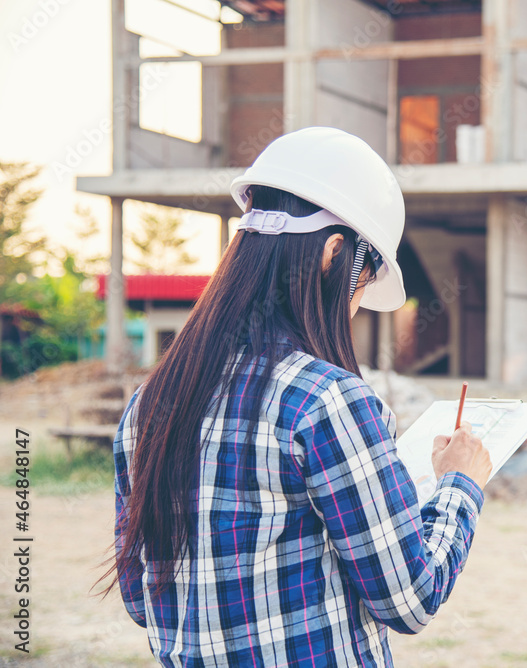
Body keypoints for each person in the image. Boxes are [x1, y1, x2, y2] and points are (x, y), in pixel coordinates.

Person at [95, 127, 492, 667]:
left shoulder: (150, 404)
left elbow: (143, 599)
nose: (356, 304)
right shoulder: (328, 401)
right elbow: (410, 599)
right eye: (365, 276)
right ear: (334, 254)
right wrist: (459, 484)